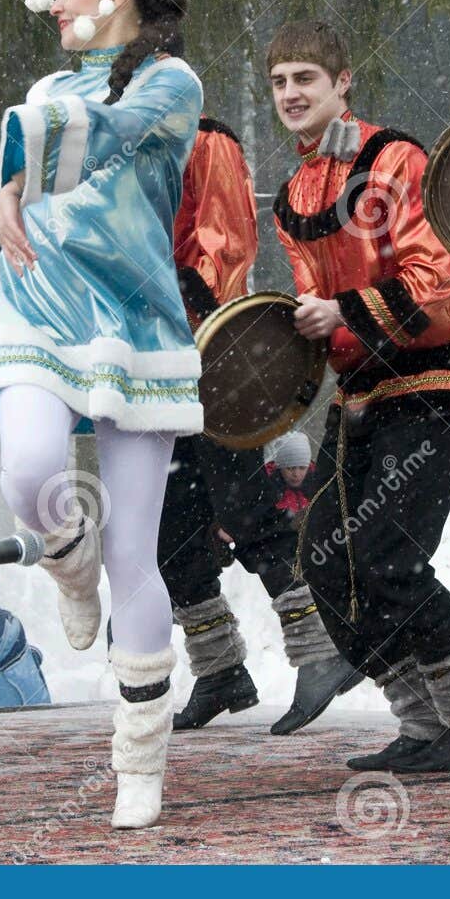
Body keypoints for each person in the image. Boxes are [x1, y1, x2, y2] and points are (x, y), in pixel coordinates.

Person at [0, 0, 201, 828]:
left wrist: (29, 146)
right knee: (29, 474)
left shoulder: (170, 84)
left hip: (133, 324)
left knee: (135, 553)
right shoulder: (42, 97)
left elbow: (103, 133)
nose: (53, 3)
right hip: (33, 309)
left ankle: (139, 755)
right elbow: (1, 187)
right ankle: (67, 567)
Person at [269, 19, 450, 773]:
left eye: (305, 77)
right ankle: (424, 724)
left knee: (388, 555)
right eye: (278, 82)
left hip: (434, 376)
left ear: (342, 83)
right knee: (328, 558)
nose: (290, 93)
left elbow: (435, 282)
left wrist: (343, 312)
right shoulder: (290, 197)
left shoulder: (395, 157)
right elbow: (318, 315)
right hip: (362, 393)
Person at [157, 120, 356, 735]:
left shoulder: (202, 138)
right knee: (169, 532)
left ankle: (320, 649)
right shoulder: (116, 140)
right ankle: (220, 670)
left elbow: (226, 244)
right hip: (150, 368)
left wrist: (184, 307)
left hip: (212, 359)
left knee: (248, 511)